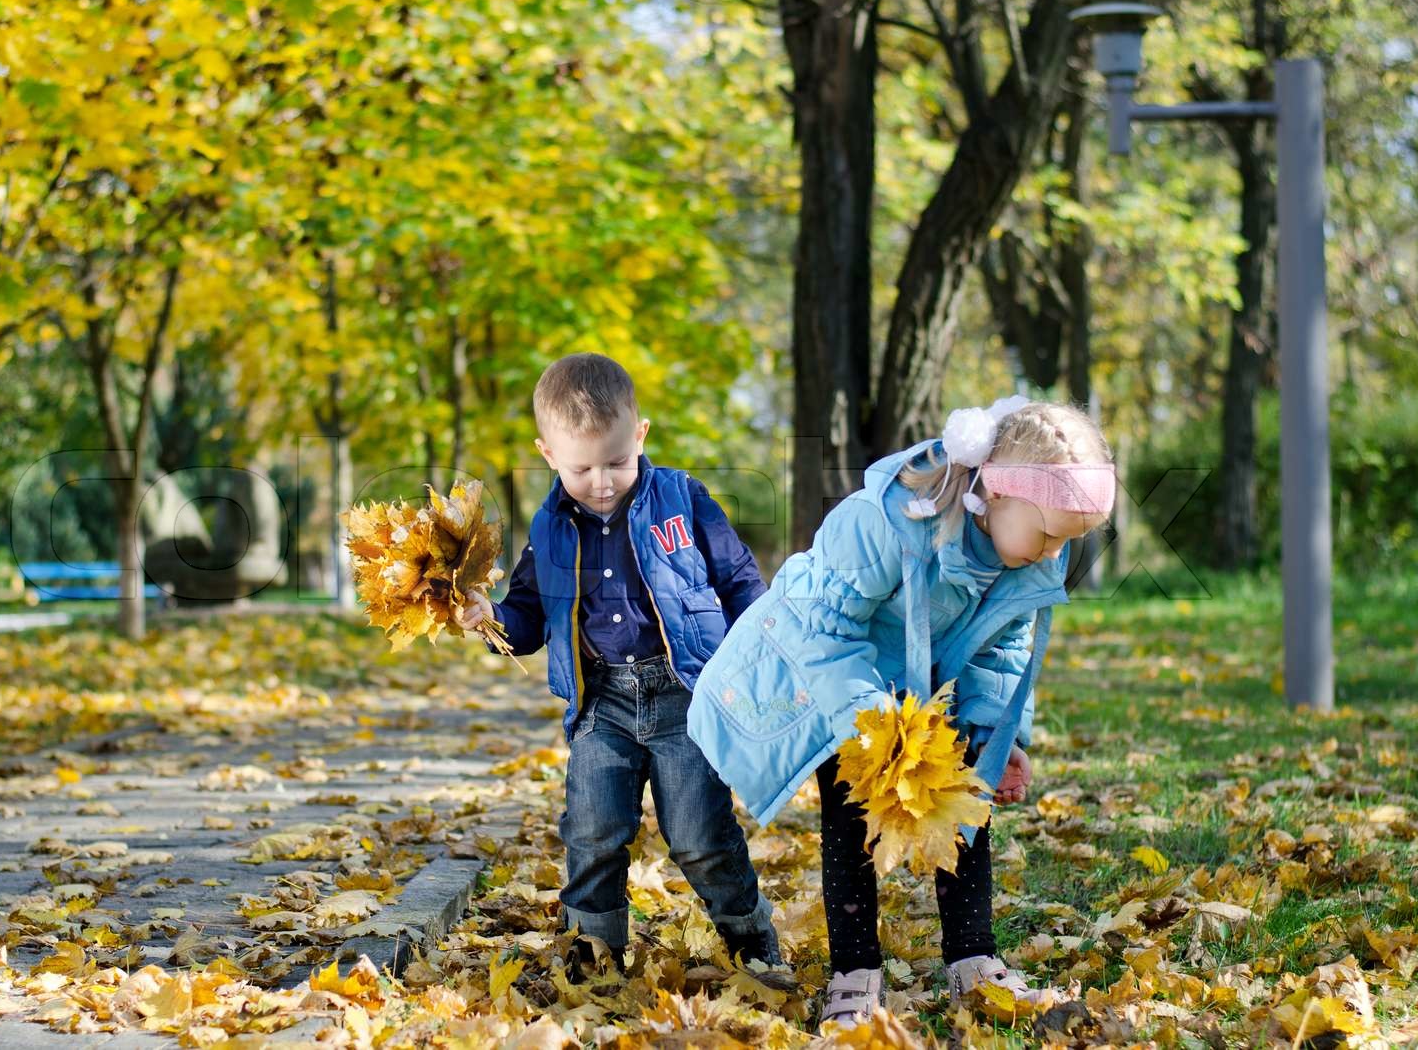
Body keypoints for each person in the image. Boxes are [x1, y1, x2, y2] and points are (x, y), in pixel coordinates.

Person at [686, 397, 1115, 1029]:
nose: (1055, 553)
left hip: (926, 693)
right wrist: (869, 723)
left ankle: (974, 960)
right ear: (995, 491)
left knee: (965, 805)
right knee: (853, 818)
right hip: (844, 687)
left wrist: (998, 737)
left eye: (1069, 542)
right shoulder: (887, 522)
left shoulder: (1024, 561)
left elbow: (1002, 649)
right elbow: (826, 625)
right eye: (1050, 532)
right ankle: (854, 974)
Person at [456, 352, 782, 979]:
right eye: (582, 467)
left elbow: (739, 580)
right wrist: (488, 618)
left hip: (683, 694)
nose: (602, 480)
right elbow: (525, 617)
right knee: (594, 832)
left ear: (640, 434)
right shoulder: (549, 527)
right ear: (548, 454)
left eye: (616, 460)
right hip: (600, 702)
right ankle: (593, 955)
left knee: (699, 837)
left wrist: (761, 651)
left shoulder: (682, 500)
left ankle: (751, 939)